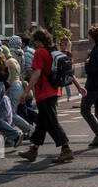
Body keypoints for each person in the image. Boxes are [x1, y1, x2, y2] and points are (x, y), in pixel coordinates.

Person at [19, 28, 74, 164]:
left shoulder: (40, 52)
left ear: (38, 41)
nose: (34, 44)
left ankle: (66, 149)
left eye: (35, 41)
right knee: (42, 124)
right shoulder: (52, 51)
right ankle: (33, 150)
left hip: (44, 93)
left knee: (52, 123)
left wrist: (26, 92)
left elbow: (37, 73)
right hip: (53, 91)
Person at [78, 26, 98, 146]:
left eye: (89, 36)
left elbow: (92, 70)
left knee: (84, 109)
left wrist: (87, 62)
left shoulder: (96, 52)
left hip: (94, 86)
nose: (88, 38)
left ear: (93, 38)